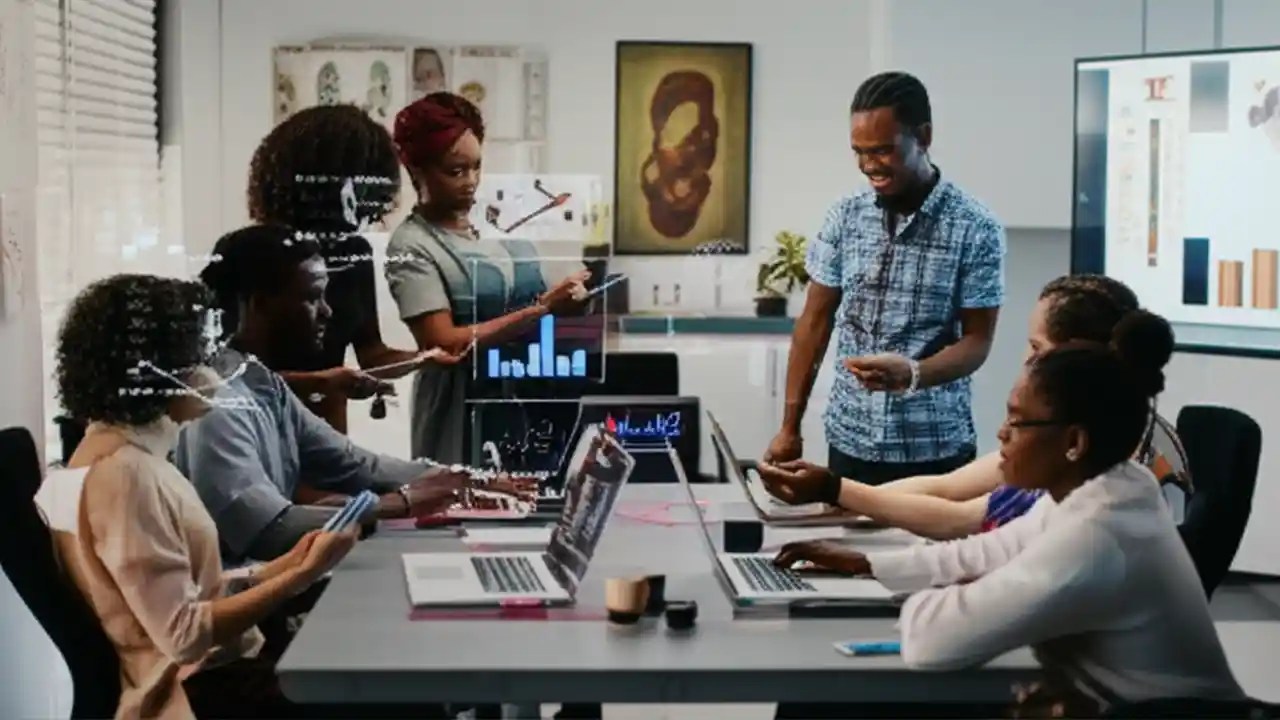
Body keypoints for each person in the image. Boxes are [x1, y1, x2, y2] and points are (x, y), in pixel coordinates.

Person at [773, 311, 1243, 718]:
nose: (1001, 434)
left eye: (1017, 421)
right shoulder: (1113, 487)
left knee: (826, 704)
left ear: (1074, 442)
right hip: (1120, 709)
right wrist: (868, 564)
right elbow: (992, 549)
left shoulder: (1097, 538)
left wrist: (945, 592)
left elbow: (931, 643)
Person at [41, 274, 444, 719]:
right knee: (410, 691)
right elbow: (185, 635)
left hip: (210, 675)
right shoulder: (126, 476)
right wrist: (298, 575)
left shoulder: (105, 453)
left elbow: (192, 594)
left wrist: (289, 565)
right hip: (194, 696)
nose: (210, 369)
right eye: (197, 354)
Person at [759, 274, 1193, 540]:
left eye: (1037, 347)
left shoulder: (1098, 467)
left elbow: (962, 519)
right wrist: (827, 502)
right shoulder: (1123, 428)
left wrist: (833, 494)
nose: (1027, 361)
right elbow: (948, 489)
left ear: (1079, 357)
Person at [177, 230, 496, 565]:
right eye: (313, 297)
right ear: (258, 304)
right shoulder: (218, 403)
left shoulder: (264, 385)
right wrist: (400, 503)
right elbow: (267, 530)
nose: (328, 312)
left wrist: (469, 481)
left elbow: (357, 465)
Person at [765, 71, 1006, 485]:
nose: (868, 165)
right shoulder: (845, 216)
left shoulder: (976, 227)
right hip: (850, 442)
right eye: (859, 152)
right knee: (848, 551)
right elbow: (814, 322)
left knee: (934, 553)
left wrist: (913, 374)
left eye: (883, 150)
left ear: (924, 137)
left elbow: (977, 342)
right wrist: (790, 426)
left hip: (936, 451)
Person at [385, 91, 589, 464]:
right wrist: (541, 310)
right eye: (455, 171)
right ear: (417, 171)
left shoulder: (496, 222)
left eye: (477, 167)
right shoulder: (412, 246)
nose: (471, 181)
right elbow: (444, 344)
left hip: (533, 397)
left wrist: (573, 301)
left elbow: (538, 294)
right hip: (463, 409)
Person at [234, 104, 427, 434]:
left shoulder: (355, 253)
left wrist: (429, 357)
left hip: (329, 439)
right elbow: (227, 379)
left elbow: (372, 354)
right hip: (260, 434)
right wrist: (322, 382)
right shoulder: (252, 253)